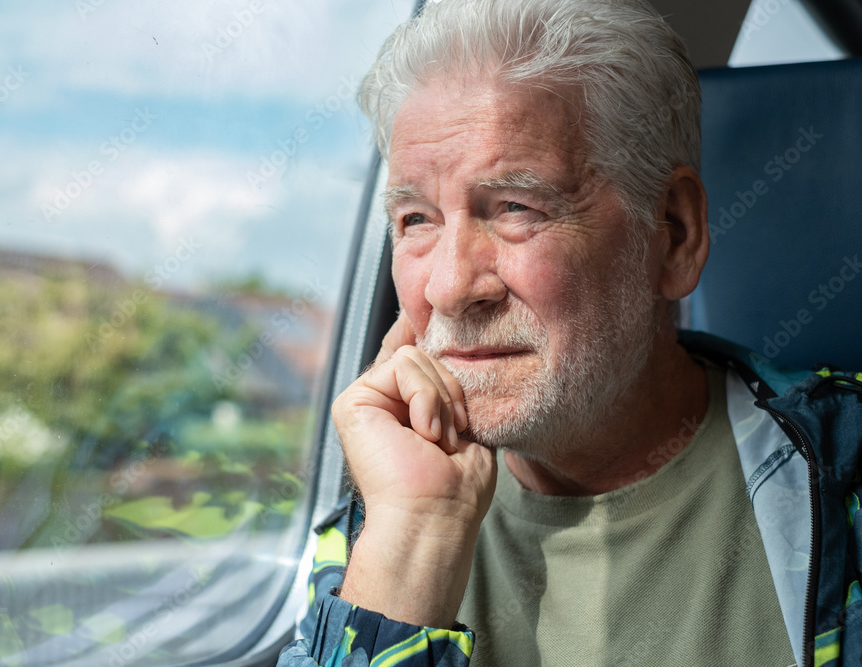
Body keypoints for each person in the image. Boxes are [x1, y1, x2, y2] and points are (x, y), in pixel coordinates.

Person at [279, 0, 862, 665]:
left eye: (514, 207)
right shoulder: (374, 527)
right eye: (416, 219)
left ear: (674, 234)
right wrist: (415, 535)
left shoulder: (845, 475)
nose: (445, 287)